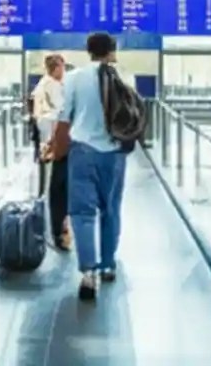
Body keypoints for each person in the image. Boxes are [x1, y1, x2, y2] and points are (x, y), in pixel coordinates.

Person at [51, 33, 129, 301]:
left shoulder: (74, 78)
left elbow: (64, 118)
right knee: (111, 209)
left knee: (83, 214)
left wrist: (56, 151)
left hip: (82, 151)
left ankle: (88, 274)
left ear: (88, 51)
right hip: (115, 153)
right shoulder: (123, 77)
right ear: (112, 50)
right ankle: (108, 264)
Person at [33, 54, 70, 251]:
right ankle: (58, 230)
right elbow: (62, 109)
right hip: (53, 138)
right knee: (57, 185)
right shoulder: (53, 86)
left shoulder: (42, 83)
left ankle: (55, 226)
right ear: (56, 68)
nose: (63, 71)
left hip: (46, 136)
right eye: (62, 68)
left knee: (50, 183)